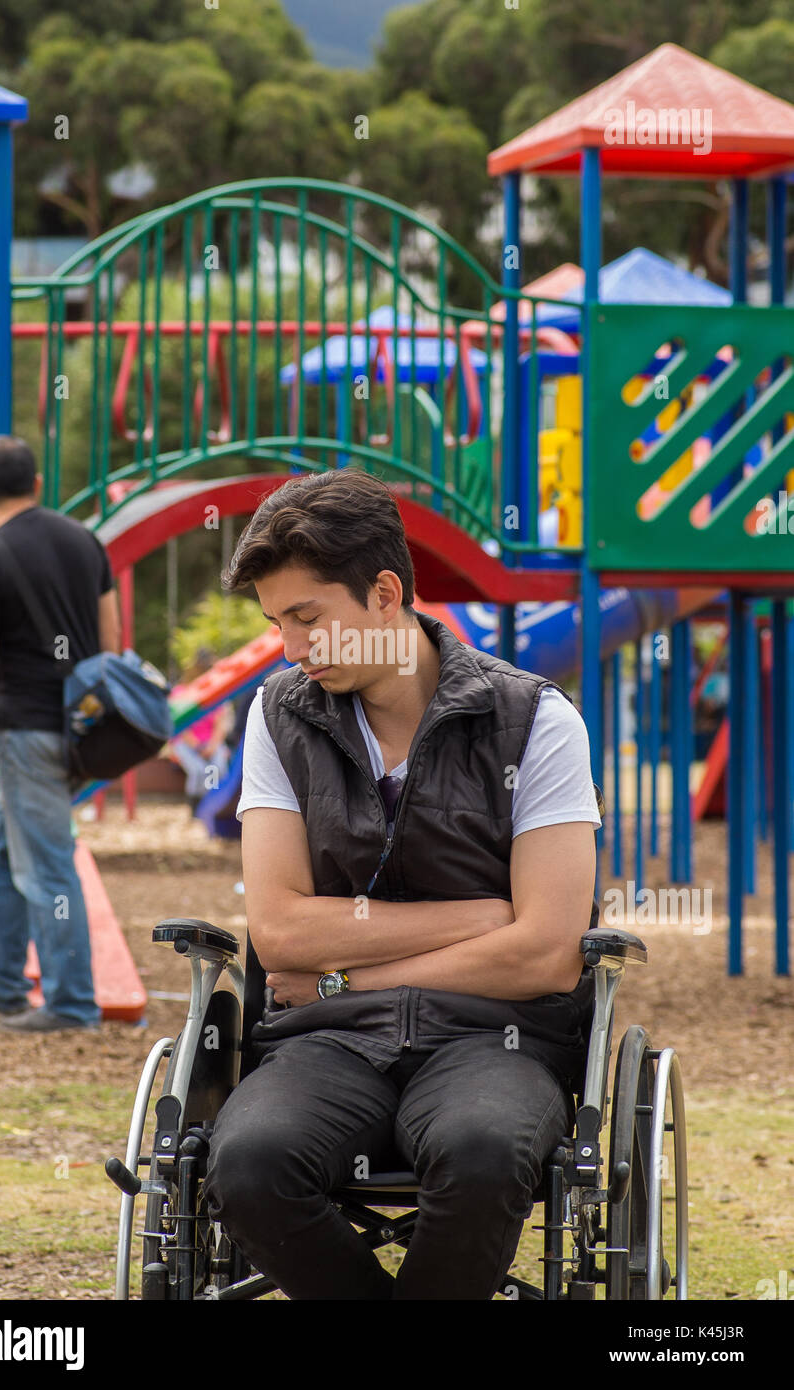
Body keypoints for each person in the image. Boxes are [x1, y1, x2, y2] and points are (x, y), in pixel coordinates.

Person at [202, 467, 603, 1300]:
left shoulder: (535, 720)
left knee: (485, 1152)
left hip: (498, 1038)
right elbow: (278, 933)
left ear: (385, 593)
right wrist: (483, 917)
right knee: (244, 1164)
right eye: (277, 623)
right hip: (325, 1041)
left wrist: (347, 972)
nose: (290, 648)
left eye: (307, 618)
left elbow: (544, 956)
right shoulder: (279, 717)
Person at [0, 436, 120, 1033]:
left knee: (46, 870)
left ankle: (71, 1004)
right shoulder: (85, 541)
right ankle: (2, 986)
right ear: (39, 484)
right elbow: (111, 641)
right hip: (82, 732)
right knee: (2, 847)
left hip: (28, 733)